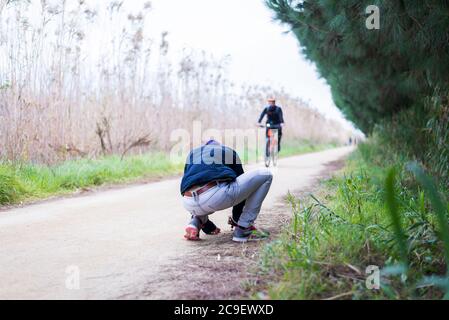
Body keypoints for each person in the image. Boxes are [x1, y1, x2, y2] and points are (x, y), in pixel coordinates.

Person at [180, 140, 273, 242]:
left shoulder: (194, 153)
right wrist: (237, 219)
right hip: (214, 197)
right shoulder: (226, 151)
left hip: (188, 202)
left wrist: (208, 227)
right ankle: (244, 228)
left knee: (198, 184)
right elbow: (242, 189)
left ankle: (195, 222)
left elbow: (189, 184)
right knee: (266, 174)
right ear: (219, 146)